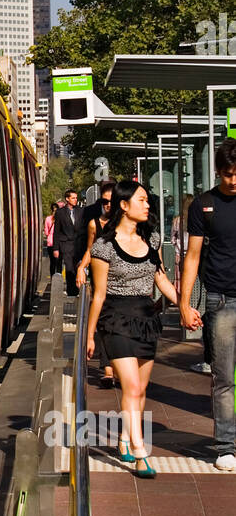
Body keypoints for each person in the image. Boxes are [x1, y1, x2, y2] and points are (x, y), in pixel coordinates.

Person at [87, 179, 186, 477]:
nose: (147, 205)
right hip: (115, 318)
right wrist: (90, 334)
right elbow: (99, 294)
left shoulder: (152, 239)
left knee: (141, 389)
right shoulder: (103, 247)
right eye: (141, 200)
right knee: (130, 386)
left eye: (147, 200)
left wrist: (184, 306)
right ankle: (142, 453)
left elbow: (161, 280)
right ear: (124, 205)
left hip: (145, 318)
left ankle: (125, 438)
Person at [179, 139, 236, 470]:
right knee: (224, 376)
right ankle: (226, 445)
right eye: (227, 174)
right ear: (218, 172)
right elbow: (192, 256)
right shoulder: (203, 205)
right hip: (222, 299)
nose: (232, 180)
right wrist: (185, 304)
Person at [76, 181, 115, 386]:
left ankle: (115, 364)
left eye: (112, 201)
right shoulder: (94, 223)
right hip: (101, 281)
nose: (108, 205)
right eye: (104, 201)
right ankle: (107, 368)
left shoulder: (127, 224)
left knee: (117, 326)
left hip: (120, 283)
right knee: (104, 323)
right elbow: (90, 250)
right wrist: (82, 267)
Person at [52, 188, 82, 295]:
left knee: (77, 268)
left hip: (78, 245)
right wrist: (56, 248)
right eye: (73, 198)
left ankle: (78, 289)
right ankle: (71, 291)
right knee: (69, 269)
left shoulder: (80, 211)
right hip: (65, 244)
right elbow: (56, 231)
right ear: (67, 199)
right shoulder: (60, 213)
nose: (75, 200)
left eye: (76, 198)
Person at [44, 202, 59, 276]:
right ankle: (59, 277)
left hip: (50, 243)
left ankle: (52, 277)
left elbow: (46, 232)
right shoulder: (60, 219)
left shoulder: (47, 219)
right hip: (59, 243)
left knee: (52, 262)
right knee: (58, 262)